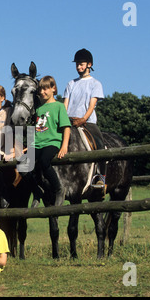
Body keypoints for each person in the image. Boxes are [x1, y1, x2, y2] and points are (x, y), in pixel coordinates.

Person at [22, 76, 71, 208]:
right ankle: (37, 191)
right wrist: (29, 146)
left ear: (53, 88)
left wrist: (64, 146)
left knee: (44, 162)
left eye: (45, 89)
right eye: (40, 90)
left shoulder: (59, 106)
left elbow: (66, 127)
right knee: (22, 165)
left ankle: (59, 189)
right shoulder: (38, 109)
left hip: (52, 143)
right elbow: (35, 128)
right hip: (37, 144)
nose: (42, 92)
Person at [63, 48, 107, 192]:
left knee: (100, 145)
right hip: (69, 121)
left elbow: (92, 104)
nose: (78, 67)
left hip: (87, 122)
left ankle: (100, 179)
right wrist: (63, 119)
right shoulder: (71, 83)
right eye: (77, 64)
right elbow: (65, 104)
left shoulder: (95, 84)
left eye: (81, 64)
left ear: (89, 64)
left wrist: (83, 119)